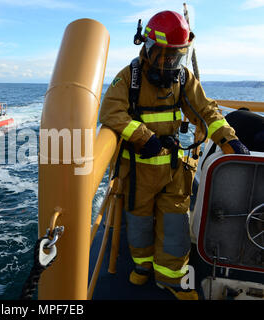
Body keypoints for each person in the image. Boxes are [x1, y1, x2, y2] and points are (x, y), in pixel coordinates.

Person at [99, 10, 250, 300]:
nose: (168, 62)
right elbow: (110, 112)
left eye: (175, 56)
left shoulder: (183, 77)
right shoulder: (128, 78)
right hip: (138, 171)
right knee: (139, 223)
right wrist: (144, 137)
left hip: (174, 169)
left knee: (175, 226)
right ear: (148, 48)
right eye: (163, 55)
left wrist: (229, 141)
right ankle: (142, 268)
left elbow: (206, 110)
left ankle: (171, 279)